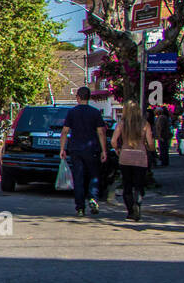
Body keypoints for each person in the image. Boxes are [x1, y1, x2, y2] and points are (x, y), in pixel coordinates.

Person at [59, 86, 108, 218]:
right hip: (92, 149)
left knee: (78, 178)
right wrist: (104, 150)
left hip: (75, 149)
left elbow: (65, 131)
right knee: (93, 175)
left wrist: (62, 148)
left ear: (78, 97)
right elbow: (101, 132)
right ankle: (93, 198)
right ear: (89, 97)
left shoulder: (72, 112)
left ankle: (80, 207)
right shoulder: (95, 113)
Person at [111, 101, 156, 221]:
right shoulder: (145, 124)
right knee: (139, 185)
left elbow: (113, 140)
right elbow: (151, 143)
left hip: (125, 157)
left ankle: (130, 212)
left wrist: (117, 149)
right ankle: (138, 203)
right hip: (140, 157)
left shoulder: (122, 124)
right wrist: (150, 149)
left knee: (127, 185)